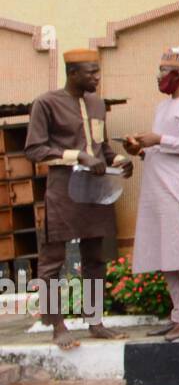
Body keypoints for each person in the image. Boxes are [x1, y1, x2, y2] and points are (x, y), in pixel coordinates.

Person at [24, 49, 133, 348]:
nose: (97, 78)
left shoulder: (98, 104)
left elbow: (102, 149)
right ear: (73, 73)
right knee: (51, 263)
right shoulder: (46, 103)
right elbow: (34, 150)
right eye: (91, 73)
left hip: (96, 193)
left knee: (96, 259)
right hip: (63, 191)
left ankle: (95, 321)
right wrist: (77, 156)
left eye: (98, 72)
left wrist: (121, 161)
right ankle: (56, 324)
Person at [124, 48, 179, 343]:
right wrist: (140, 148)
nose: (159, 77)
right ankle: (177, 315)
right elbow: (162, 147)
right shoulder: (163, 107)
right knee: (166, 255)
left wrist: (160, 139)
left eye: (164, 71)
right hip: (156, 188)